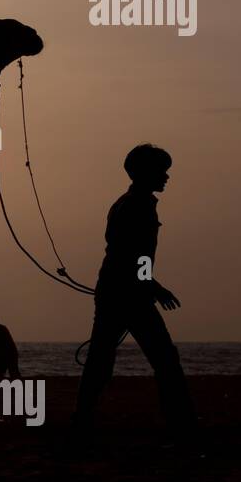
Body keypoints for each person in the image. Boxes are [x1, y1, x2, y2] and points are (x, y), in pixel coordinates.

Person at [73, 144, 197, 437]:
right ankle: (182, 424)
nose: (166, 177)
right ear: (145, 173)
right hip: (129, 295)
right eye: (161, 171)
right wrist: (153, 286)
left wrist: (150, 284)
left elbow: (127, 253)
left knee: (101, 361)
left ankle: (81, 421)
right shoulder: (137, 206)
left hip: (116, 290)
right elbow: (132, 253)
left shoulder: (128, 203)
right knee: (165, 359)